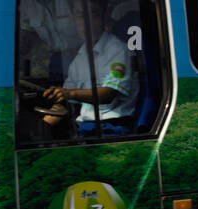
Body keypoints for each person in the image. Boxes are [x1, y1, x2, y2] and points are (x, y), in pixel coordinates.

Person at [39, 0, 138, 132]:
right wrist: (42, 127)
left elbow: (108, 94)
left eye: (94, 15)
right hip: (87, 129)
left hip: (113, 128)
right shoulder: (80, 58)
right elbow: (66, 103)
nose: (87, 22)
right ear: (73, 20)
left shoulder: (118, 51)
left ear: (104, 17)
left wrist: (69, 93)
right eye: (81, 16)